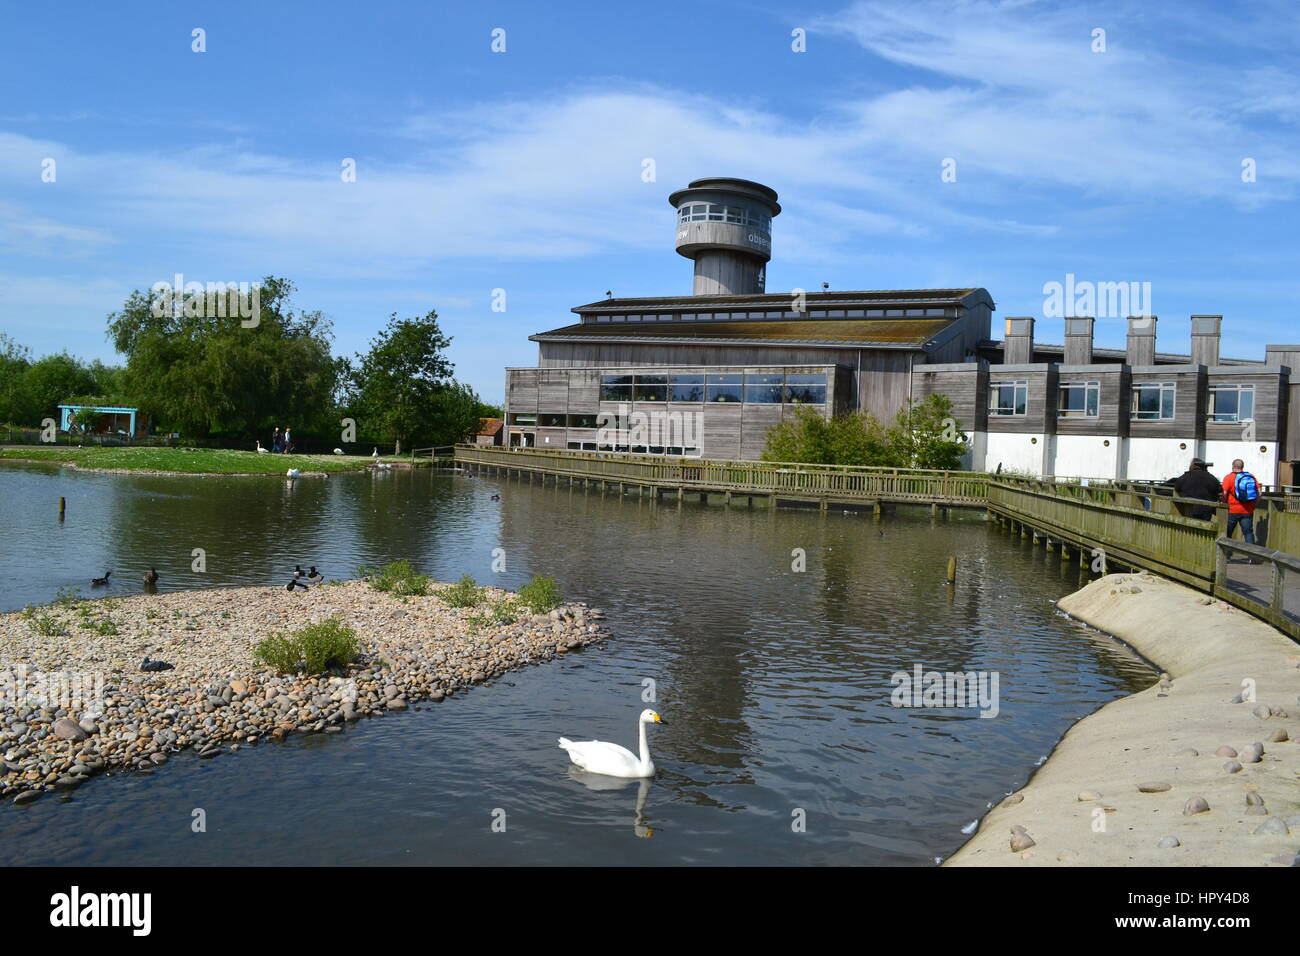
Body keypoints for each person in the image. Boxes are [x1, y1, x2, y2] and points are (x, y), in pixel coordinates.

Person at [1222, 458, 1260, 546]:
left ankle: (1227, 555)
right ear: (1242, 467)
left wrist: (1224, 505)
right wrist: (1254, 506)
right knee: (1248, 533)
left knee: (1227, 533)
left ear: (1233, 466)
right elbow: (1259, 493)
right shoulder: (1251, 476)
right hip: (1248, 510)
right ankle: (1252, 556)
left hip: (1232, 510)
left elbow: (1224, 494)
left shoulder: (1228, 477)